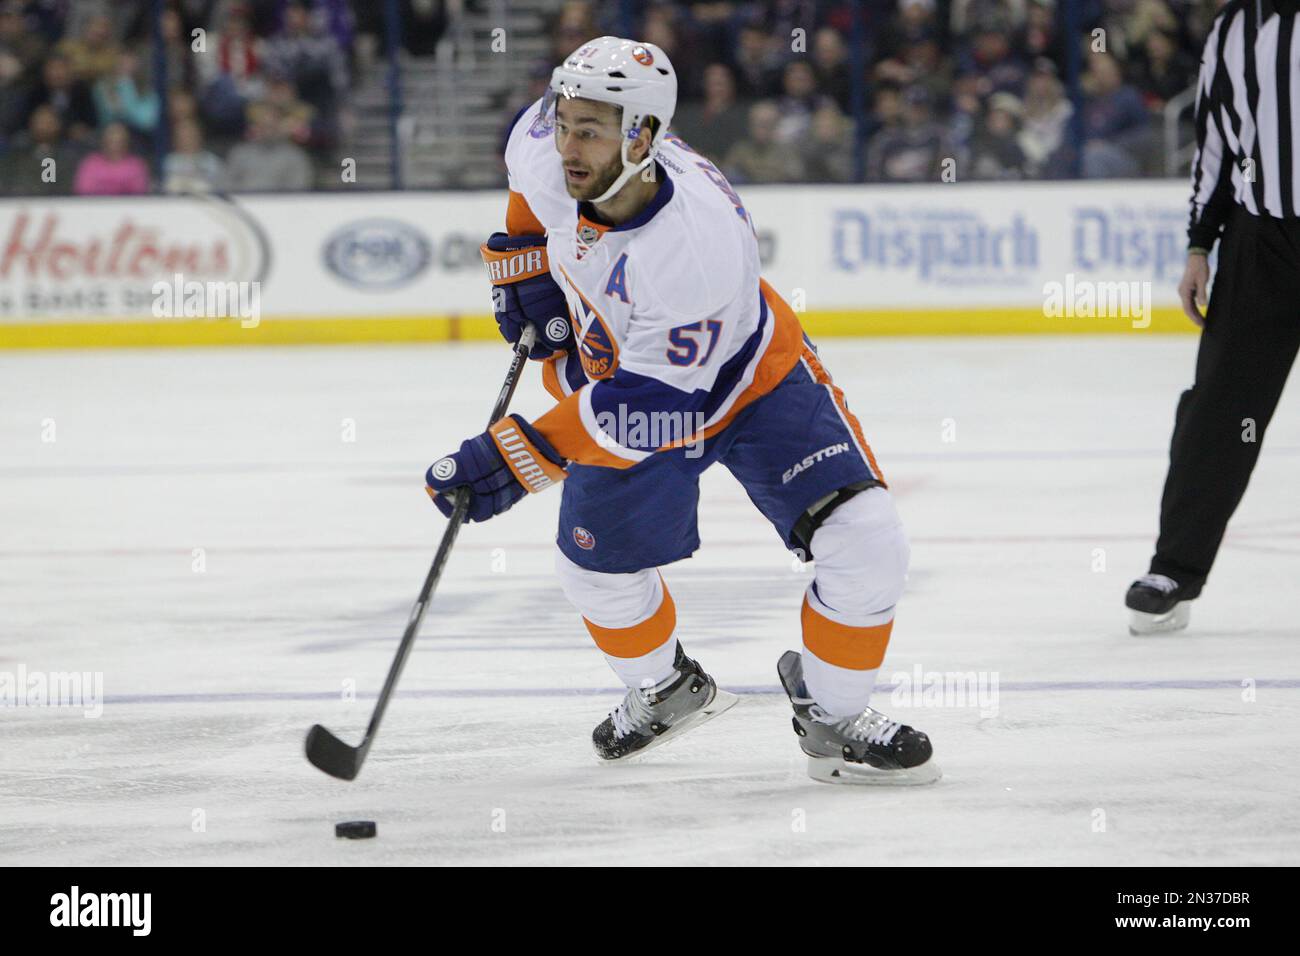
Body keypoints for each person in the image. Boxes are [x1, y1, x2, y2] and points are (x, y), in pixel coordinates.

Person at [423, 37, 939, 785]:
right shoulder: (543, 142)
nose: (570, 143)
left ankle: (835, 715)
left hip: (750, 384)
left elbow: (648, 409)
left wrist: (512, 456)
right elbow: (526, 200)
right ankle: (664, 688)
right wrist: (523, 264)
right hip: (626, 373)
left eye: (593, 129)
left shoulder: (696, 245)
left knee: (867, 542)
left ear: (644, 137)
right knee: (594, 572)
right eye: (567, 121)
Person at [1127, 0, 1300, 634]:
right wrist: (1200, 244)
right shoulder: (1233, 28)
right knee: (1220, 412)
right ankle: (1174, 569)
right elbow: (1217, 146)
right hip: (1261, 246)